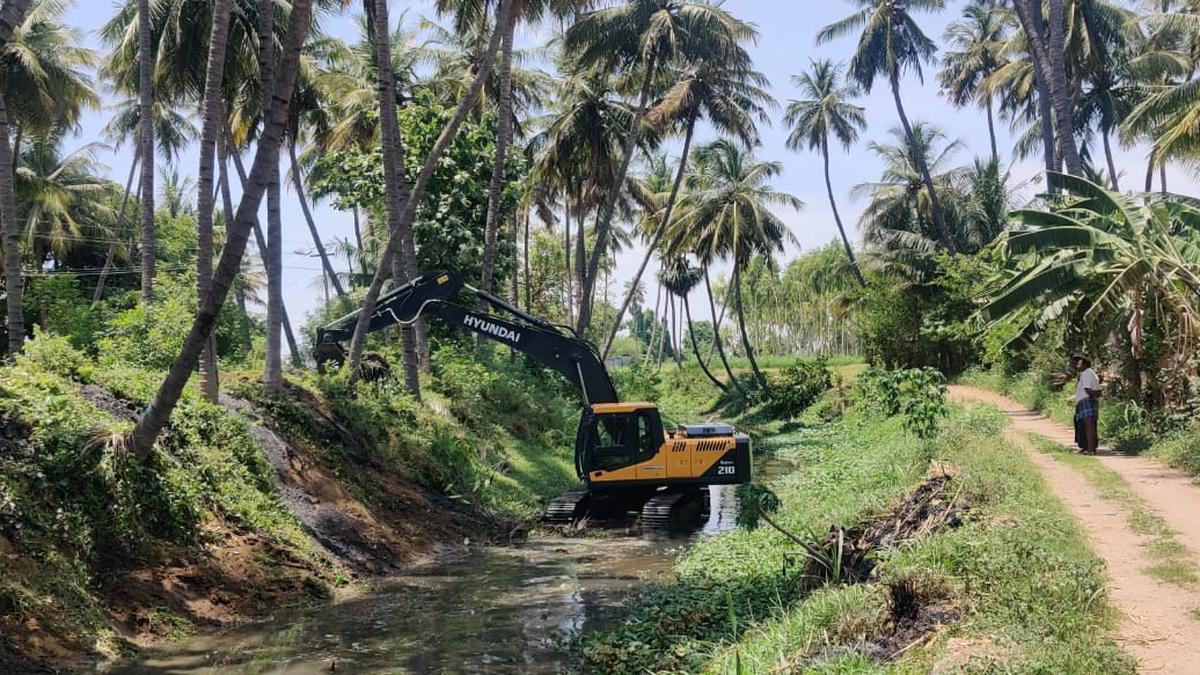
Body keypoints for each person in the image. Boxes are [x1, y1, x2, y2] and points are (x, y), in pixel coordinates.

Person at [1072, 355, 1101, 455]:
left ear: (1084, 364)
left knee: (1089, 426)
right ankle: (1086, 447)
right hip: (1083, 401)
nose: (1076, 365)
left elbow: (1088, 389)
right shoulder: (1085, 373)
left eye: (1078, 363)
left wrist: (1096, 394)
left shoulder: (1087, 374)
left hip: (1086, 401)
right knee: (1084, 426)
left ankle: (1091, 449)